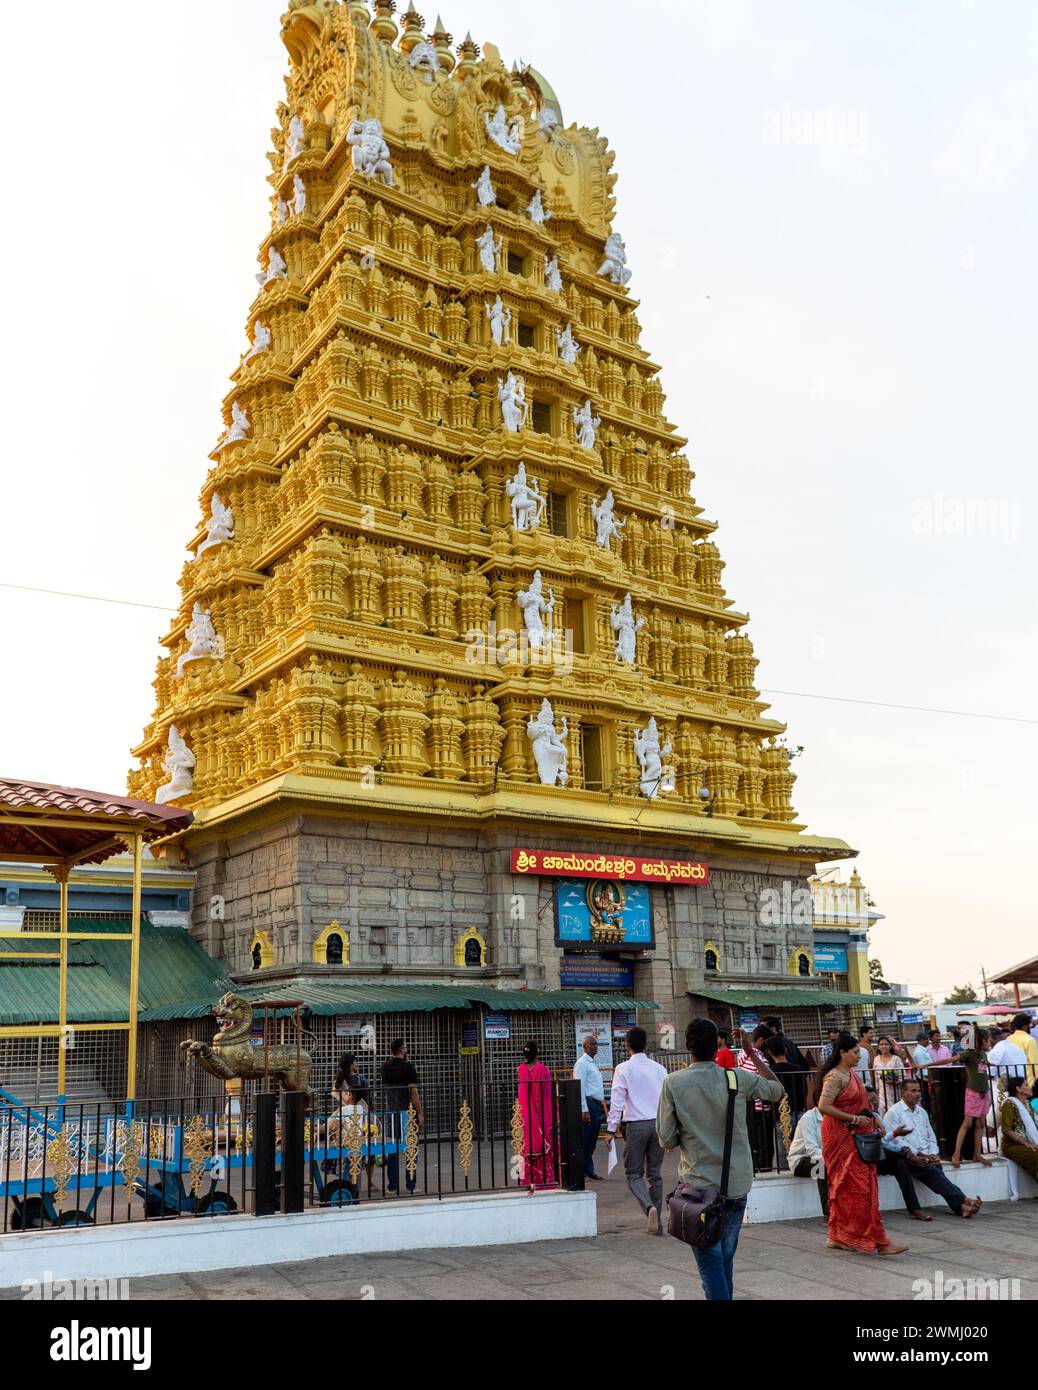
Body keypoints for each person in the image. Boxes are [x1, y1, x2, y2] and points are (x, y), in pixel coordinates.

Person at [657, 1018, 784, 1301]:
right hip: (735, 1184)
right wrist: (750, 1052)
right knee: (724, 1257)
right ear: (717, 1043)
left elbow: (666, 1139)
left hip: (698, 1186)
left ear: (687, 1046)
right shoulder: (736, 1077)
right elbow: (777, 1090)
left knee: (711, 1262)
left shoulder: (673, 1083)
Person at [817, 1031, 906, 1255]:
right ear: (842, 1053)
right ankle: (879, 1241)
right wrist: (855, 1119)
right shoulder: (836, 1076)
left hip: (857, 1135)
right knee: (857, 1189)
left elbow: (860, 1104)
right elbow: (824, 1106)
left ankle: (837, 1235)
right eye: (855, 1052)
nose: (859, 1056)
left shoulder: (851, 1073)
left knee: (851, 1187)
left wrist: (875, 1119)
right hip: (842, 1136)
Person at [882, 1080, 981, 1218]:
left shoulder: (922, 1112)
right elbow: (896, 1141)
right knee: (932, 1172)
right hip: (909, 1157)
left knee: (936, 1172)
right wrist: (922, 1155)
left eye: (918, 1091)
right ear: (903, 1093)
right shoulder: (893, 1113)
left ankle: (961, 1206)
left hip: (927, 1156)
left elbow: (931, 1137)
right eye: (913, 1091)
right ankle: (963, 1201)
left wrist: (933, 1154)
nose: (917, 1094)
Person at [605, 1026, 668, 1233]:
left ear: (627, 1046)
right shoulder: (660, 1069)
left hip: (636, 1126)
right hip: (658, 1125)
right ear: (647, 1045)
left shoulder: (623, 1069)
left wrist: (611, 1129)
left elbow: (617, 1101)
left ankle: (648, 1207)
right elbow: (668, 1102)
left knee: (633, 1173)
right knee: (655, 1175)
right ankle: (657, 1222)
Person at [381, 1038, 423, 1194]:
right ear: (402, 1050)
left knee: (392, 1148)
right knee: (411, 1148)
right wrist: (419, 1112)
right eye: (404, 1048)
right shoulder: (409, 1067)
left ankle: (392, 1186)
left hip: (392, 1112)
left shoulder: (385, 1067)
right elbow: (413, 1092)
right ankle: (411, 1184)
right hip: (407, 1112)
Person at [951, 1035, 993, 1169]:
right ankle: (956, 1154)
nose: (990, 1042)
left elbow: (984, 1067)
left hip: (984, 1092)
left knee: (980, 1124)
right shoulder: (969, 1054)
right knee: (967, 1123)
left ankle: (977, 1154)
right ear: (983, 1041)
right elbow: (950, 1059)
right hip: (973, 1092)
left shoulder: (984, 1055)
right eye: (988, 1040)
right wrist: (926, 1065)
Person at [517, 1042, 556, 1188]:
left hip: (525, 1114)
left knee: (525, 1148)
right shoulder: (543, 1069)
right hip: (541, 1116)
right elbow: (547, 1094)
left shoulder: (520, 1069)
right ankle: (544, 1180)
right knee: (544, 1147)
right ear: (537, 1053)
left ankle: (526, 1181)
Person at [572, 1033, 606, 1180]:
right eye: (593, 1044)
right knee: (585, 1140)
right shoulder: (582, 1063)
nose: (595, 1047)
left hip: (596, 1105)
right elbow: (579, 1087)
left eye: (596, 1044)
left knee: (592, 1140)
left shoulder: (591, 1063)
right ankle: (581, 1171)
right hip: (589, 1104)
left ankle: (588, 1170)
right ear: (585, 1046)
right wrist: (583, 1109)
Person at [788, 1105, 828, 1218]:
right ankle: (828, 1213)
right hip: (800, 1160)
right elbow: (812, 1149)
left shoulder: (833, 1117)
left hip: (821, 1158)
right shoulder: (808, 1118)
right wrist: (831, 1161)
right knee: (822, 1166)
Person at [762, 1033, 807, 1129]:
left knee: (782, 1142)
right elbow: (804, 1092)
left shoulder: (770, 1072)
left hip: (781, 1115)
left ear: (769, 1053)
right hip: (800, 1114)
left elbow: (766, 1098)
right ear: (786, 1050)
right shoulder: (799, 1069)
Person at [999, 1077, 1038, 1179]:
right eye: (1026, 1085)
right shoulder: (1009, 1103)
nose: (1030, 1087)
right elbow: (1006, 1129)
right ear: (1018, 1088)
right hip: (1012, 1146)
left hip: (1028, 1143)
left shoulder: (1028, 1104)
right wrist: (1026, 1144)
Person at [872, 1036, 904, 1113]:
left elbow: (903, 1076)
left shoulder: (896, 1059)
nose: (884, 1046)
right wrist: (876, 1091)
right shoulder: (876, 1059)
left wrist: (896, 1081)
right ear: (878, 1047)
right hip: (882, 1093)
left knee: (896, 1112)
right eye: (881, 1044)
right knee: (883, 1112)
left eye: (886, 1044)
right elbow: (875, 1077)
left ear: (890, 1046)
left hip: (896, 1091)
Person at [1007, 1013, 1038, 1081]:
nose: (1031, 1026)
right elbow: (1034, 1062)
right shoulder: (1029, 1040)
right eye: (1029, 1024)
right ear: (1024, 1026)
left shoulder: (1009, 1038)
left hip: (1013, 1078)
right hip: (1028, 1079)